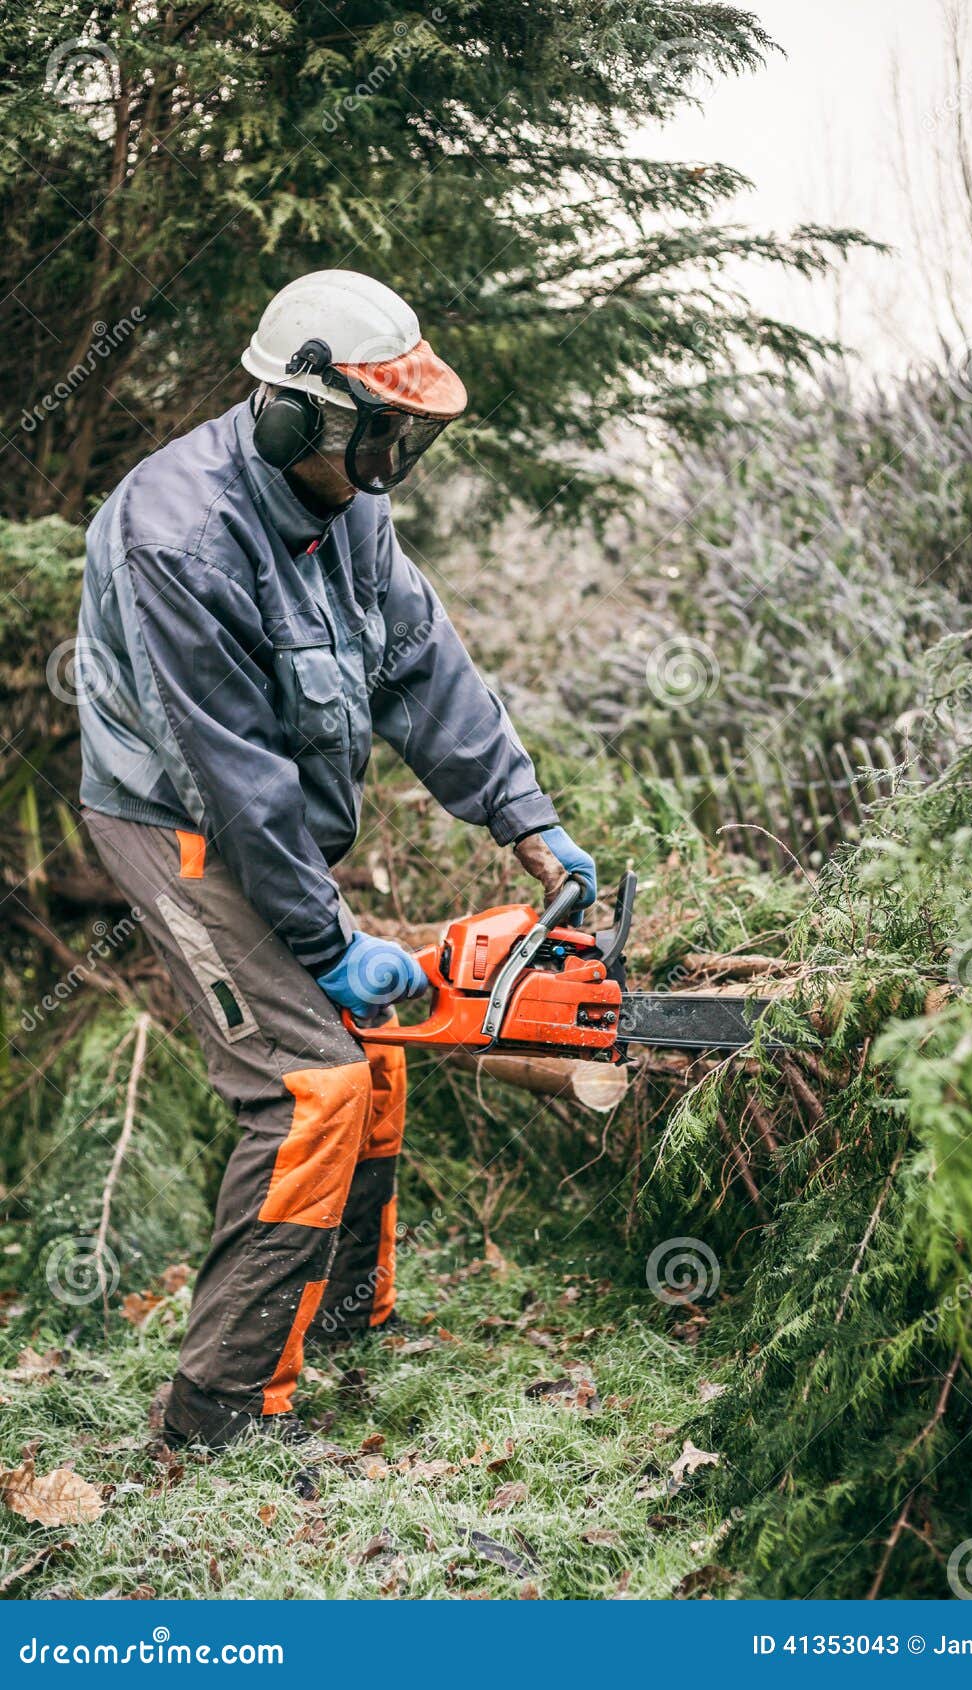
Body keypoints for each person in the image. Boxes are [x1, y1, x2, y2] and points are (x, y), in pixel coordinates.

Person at [76, 269, 596, 1452]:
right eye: (383, 428)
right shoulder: (178, 539)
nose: (397, 454)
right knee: (308, 1083)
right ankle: (214, 1407)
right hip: (177, 826)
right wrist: (326, 945)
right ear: (295, 414)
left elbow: (418, 661)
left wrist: (523, 816)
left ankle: (345, 1306)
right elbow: (233, 779)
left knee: (371, 1049)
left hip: (262, 819)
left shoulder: (347, 506)